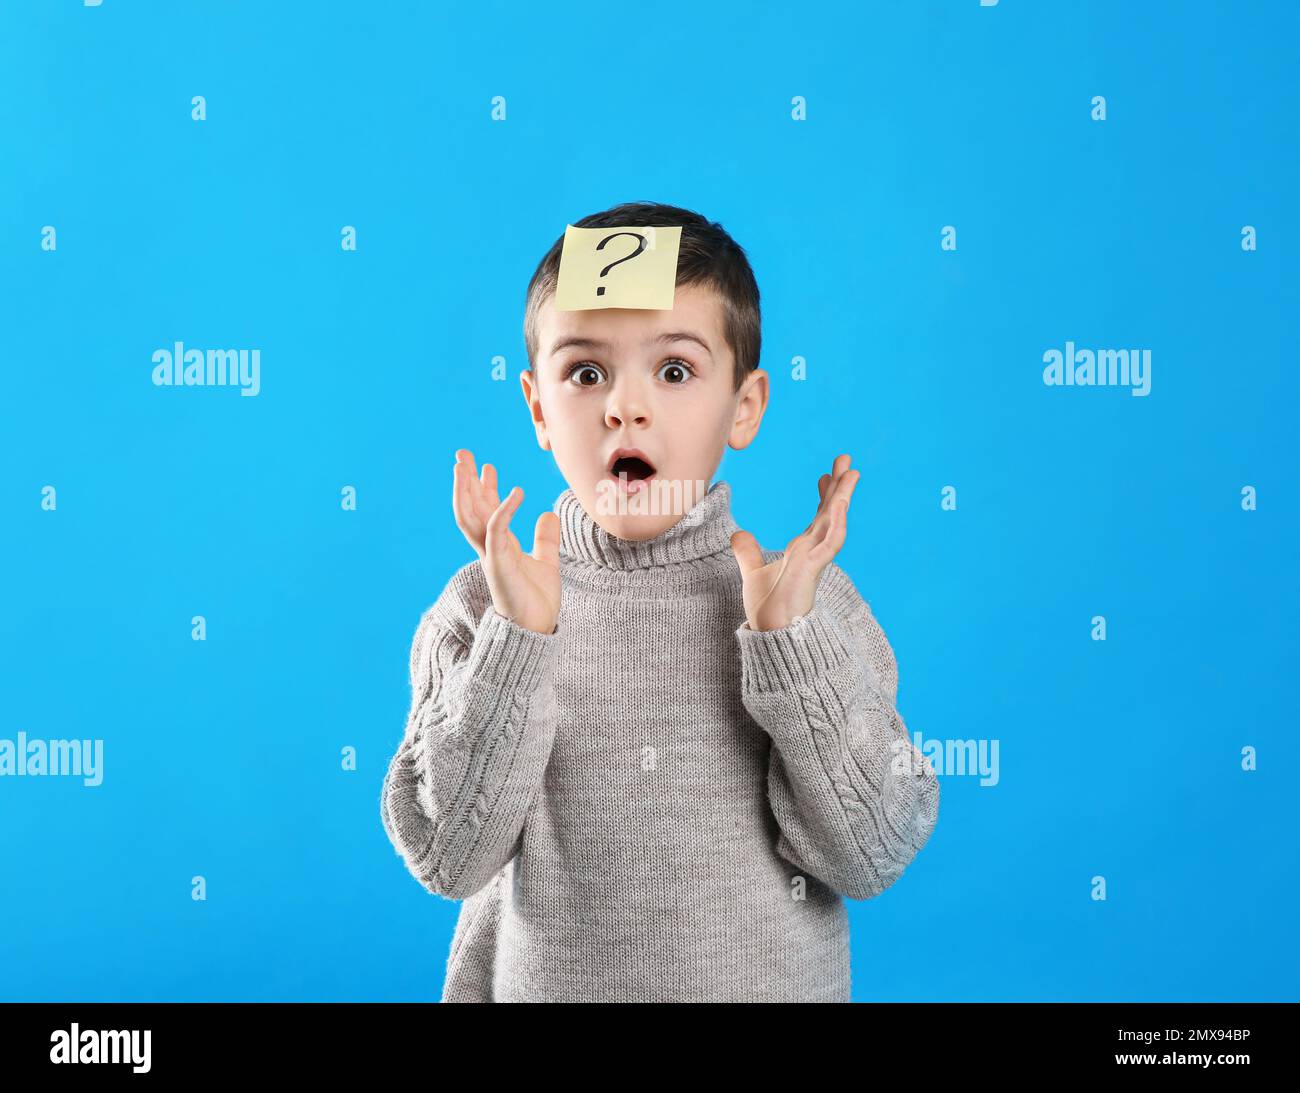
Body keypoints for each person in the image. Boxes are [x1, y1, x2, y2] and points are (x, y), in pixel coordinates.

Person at [379, 201, 940, 1002]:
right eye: (585, 372)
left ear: (744, 406)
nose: (624, 406)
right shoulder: (486, 604)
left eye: (674, 371)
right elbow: (446, 857)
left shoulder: (804, 604)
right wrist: (517, 643)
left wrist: (793, 650)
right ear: (538, 407)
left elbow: (873, 851)